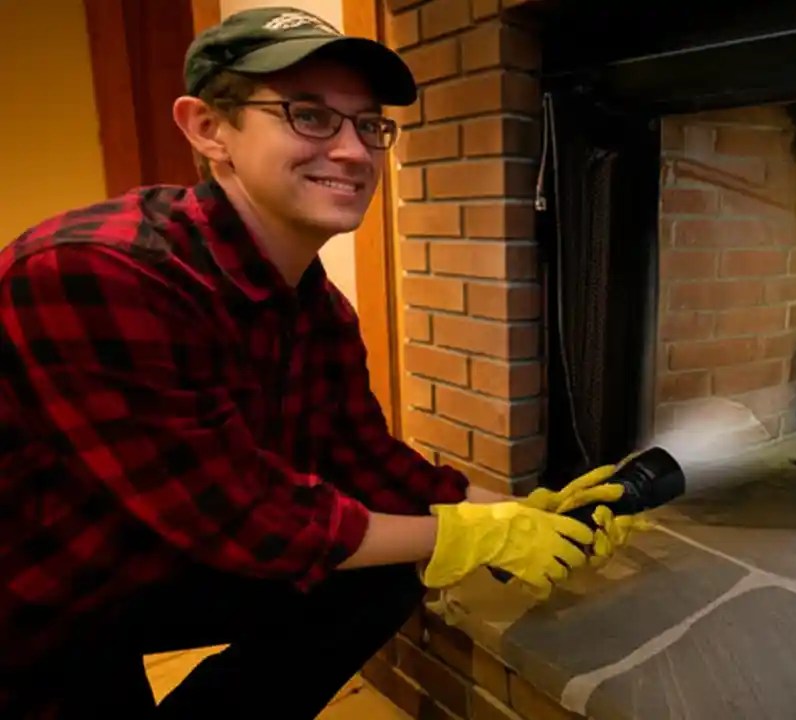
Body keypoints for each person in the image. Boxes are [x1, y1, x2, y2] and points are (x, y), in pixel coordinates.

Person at [0, 7, 644, 718]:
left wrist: (506, 511)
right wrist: (469, 536)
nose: (353, 151)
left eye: (369, 125)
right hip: (36, 599)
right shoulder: (96, 272)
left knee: (387, 571)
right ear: (209, 128)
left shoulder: (316, 306)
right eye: (308, 116)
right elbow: (248, 520)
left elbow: (360, 457)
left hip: (143, 552)